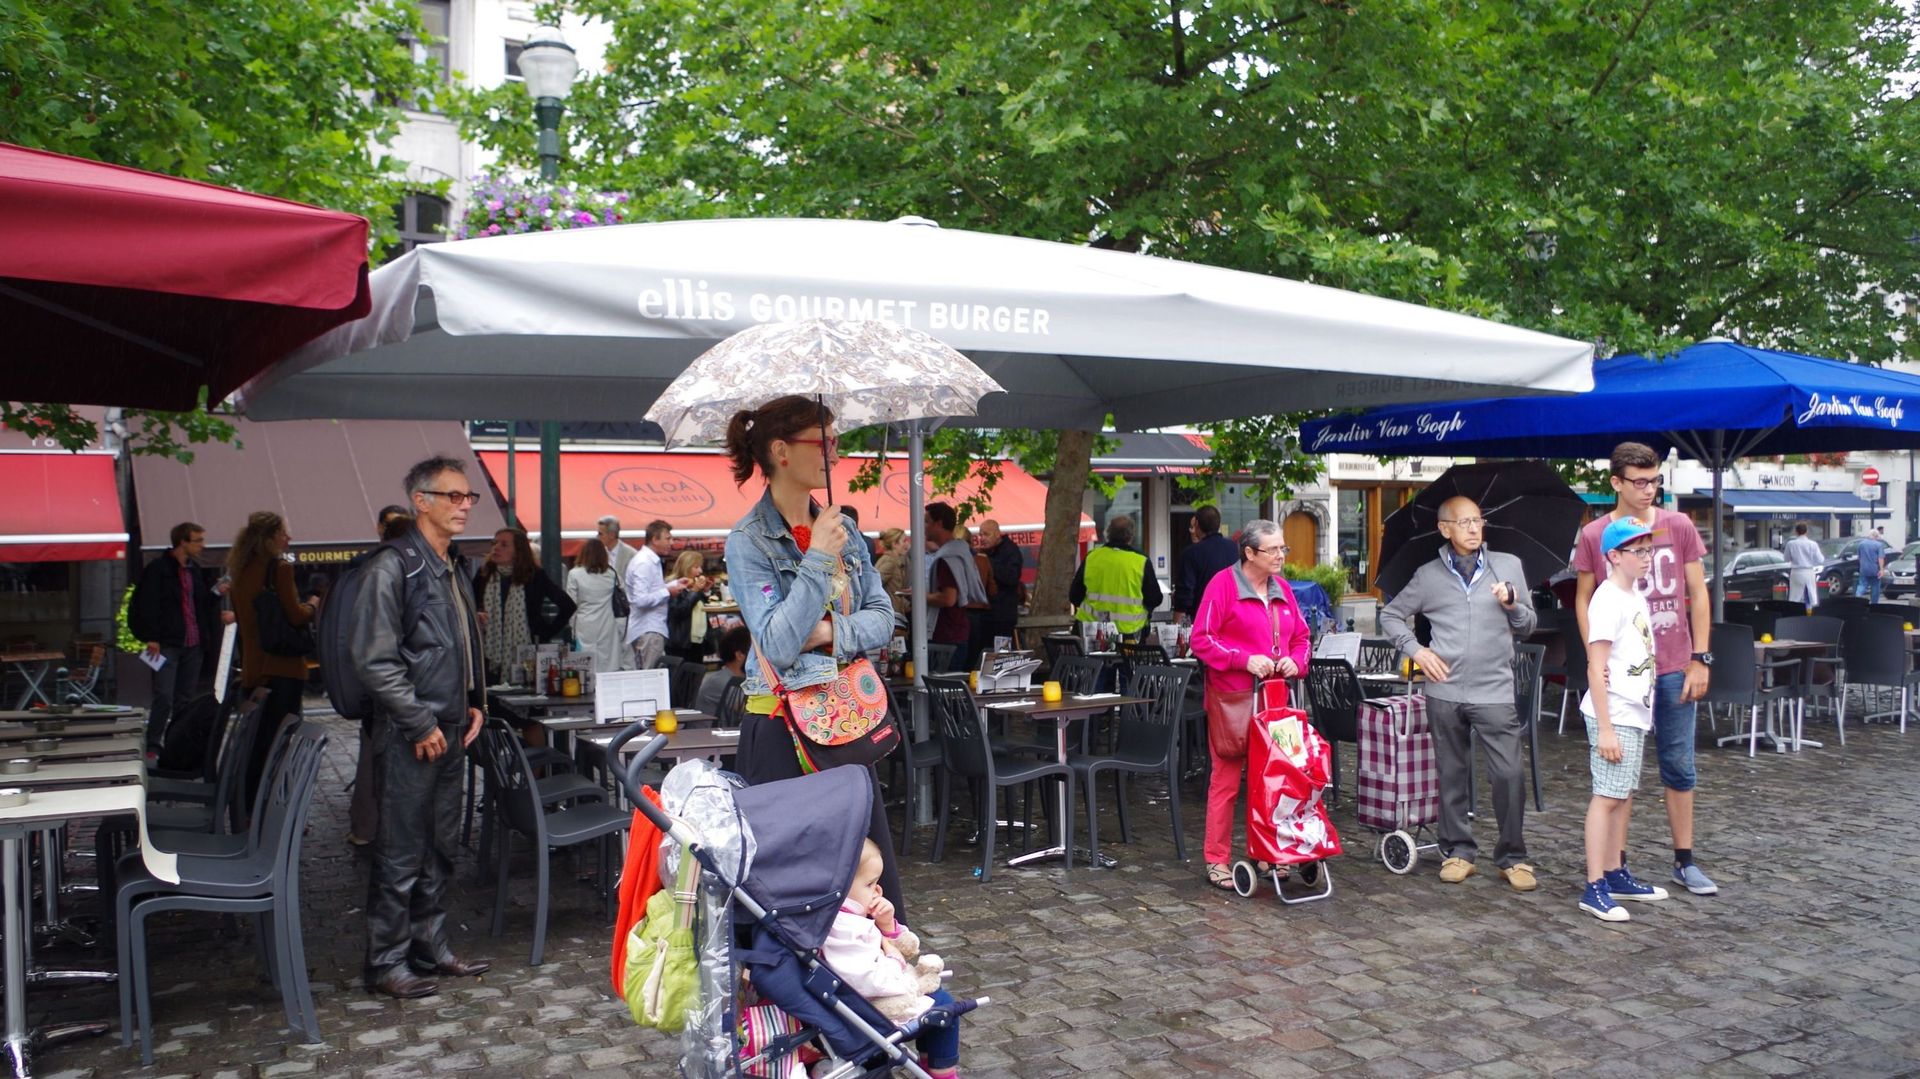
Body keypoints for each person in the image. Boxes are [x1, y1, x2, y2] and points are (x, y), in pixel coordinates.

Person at [722, 394, 904, 917]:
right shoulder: (749, 540)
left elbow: (884, 620)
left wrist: (826, 630)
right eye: (823, 442)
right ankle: (794, 992)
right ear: (781, 450)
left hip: (842, 721)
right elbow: (777, 646)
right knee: (790, 883)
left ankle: (869, 983)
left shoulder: (843, 529)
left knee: (862, 870)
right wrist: (818, 557)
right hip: (780, 727)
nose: (835, 453)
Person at [347, 455, 491, 1000]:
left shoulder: (448, 565)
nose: (463, 505)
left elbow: (451, 645)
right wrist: (418, 720)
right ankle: (385, 962)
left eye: (467, 497)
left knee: (440, 845)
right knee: (402, 849)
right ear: (420, 501)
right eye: (451, 496)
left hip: (449, 726)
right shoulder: (393, 566)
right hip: (414, 733)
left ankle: (430, 947)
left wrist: (472, 702)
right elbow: (374, 658)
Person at [1573, 441, 1718, 898]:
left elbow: (1698, 591)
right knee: (1623, 773)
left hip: (1674, 663)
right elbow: (1583, 596)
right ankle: (1615, 865)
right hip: (1623, 672)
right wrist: (1595, 655)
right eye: (1639, 481)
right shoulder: (1597, 534)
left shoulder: (1677, 525)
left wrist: (1700, 656)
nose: (1649, 489)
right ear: (1616, 482)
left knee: (1678, 764)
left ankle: (1684, 860)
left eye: (1655, 480)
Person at [1377, 496, 1539, 891]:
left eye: (1477, 521)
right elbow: (1390, 615)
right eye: (1463, 522)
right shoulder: (1428, 575)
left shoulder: (1508, 566)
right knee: (1450, 773)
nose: (1472, 528)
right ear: (1444, 528)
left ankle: (1513, 857)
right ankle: (1458, 852)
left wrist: (1513, 604)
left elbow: (1529, 624)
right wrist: (1416, 650)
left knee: (1509, 773)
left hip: (1494, 690)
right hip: (1445, 690)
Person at [1189, 520, 1311, 893]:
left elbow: (1303, 638)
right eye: (1273, 550)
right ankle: (1217, 859)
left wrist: (1296, 661)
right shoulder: (1222, 585)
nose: (1280, 556)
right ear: (1250, 553)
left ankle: (1267, 851)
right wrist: (1244, 659)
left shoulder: (1283, 589)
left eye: (1283, 549)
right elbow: (1201, 639)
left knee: (1273, 781)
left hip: (1275, 701)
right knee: (1225, 781)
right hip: (1234, 700)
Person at [1578, 517, 1672, 921]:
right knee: (1608, 796)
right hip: (1613, 711)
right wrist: (1607, 728)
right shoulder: (1607, 599)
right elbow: (1595, 666)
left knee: (1623, 794)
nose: (1648, 558)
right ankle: (1594, 884)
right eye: (1639, 551)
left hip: (1633, 711)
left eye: (1650, 549)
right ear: (1614, 557)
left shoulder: (1633, 594)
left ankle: (1615, 872)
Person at [820, 839, 962, 1078]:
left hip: (875, 995)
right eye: (870, 884)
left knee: (938, 1001)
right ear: (841, 886)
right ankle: (942, 1072)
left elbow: (899, 948)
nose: (878, 891)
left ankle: (929, 1066)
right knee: (945, 1009)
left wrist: (887, 926)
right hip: (870, 1005)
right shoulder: (843, 929)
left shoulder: (851, 916)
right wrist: (896, 960)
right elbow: (867, 978)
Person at [226, 511, 319, 812]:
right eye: (283, 533)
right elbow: (295, 615)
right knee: (282, 743)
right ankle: (276, 809)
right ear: (269, 538)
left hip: (255, 669)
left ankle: (250, 807)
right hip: (283, 668)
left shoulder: (240, 570)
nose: (288, 538)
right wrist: (313, 605)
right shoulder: (278, 569)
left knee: (257, 745)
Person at [348, 506, 414, 847]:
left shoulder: (363, 566)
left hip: (381, 686)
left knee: (372, 758)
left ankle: (368, 828)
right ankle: (385, 833)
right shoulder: (384, 569)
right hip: (395, 684)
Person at [128, 521, 221, 749]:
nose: (202, 546)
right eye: (197, 540)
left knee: (185, 698)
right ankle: (153, 743)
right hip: (168, 643)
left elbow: (199, 604)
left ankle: (178, 741)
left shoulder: (194, 570)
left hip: (193, 642)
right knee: (164, 696)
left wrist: (216, 594)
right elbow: (146, 604)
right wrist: (151, 637)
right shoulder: (159, 570)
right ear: (183, 542)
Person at [474, 527, 576, 683]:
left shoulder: (534, 576)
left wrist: (545, 633)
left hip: (526, 652)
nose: (496, 548)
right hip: (489, 651)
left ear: (518, 551)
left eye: (504, 544)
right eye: (494, 543)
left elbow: (568, 605)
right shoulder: (484, 574)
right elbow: (469, 605)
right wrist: (477, 614)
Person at [1070, 515, 1163, 639]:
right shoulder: (1141, 562)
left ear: (1108, 534)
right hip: (1129, 635)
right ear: (1130, 536)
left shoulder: (1092, 558)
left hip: (1090, 632)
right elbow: (1155, 598)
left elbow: (1074, 596)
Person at [922, 503, 988, 669]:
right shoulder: (961, 550)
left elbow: (949, 598)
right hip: (957, 631)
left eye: (926, 522)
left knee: (944, 690)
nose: (923, 527)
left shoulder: (946, 558)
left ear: (939, 523)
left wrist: (919, 596)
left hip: (946, 635)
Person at [624, 519, 694, 670]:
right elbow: (640, 600)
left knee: (652, 678)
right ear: (655, 539)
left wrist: (673, 585)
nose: (671, 542)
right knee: (650, 679)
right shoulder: (644, 563)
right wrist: (667, 591)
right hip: (648, 630)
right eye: (667, 538)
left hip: (650, 629)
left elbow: (650, 592)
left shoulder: (648, 561)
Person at [566, 538, 626, 676]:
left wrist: (571, 628)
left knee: (585, 668)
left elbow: (571, 604)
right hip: (607, 624)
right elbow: (623, 593)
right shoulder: (612, 574)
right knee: (607, 666)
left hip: (584, 625)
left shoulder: (574, 574)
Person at [1174, 506, 1239, 624]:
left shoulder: (1191, 553)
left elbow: (1185, 594)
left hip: (1202, 618)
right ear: (1218, 524)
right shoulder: (1234, 548)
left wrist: (1177, 626)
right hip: (1231, 616)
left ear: (1197, 524)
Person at [596, 515, 638, 669]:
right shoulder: (598, 553)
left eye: (601, 533)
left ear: (612, 535)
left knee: (625, 653)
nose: (597, 536)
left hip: (623, 612)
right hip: (604, 612)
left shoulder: (631, 554)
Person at [977, 519, 1024, 649]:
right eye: (980, 535)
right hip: (986, 615)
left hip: (1002, 615)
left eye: (986, 534)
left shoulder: (1010, 551)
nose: (982, 538)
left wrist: (989, 563)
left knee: (1001, 655)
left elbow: (1012, 578)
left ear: (998, 534)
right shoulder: (984, 552)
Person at [665, 549, 713, 665]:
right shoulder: (674, 585)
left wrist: (705, 592)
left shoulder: (694, 586)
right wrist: (695, 591)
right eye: (696, 567)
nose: (700, 571)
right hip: (682, 643)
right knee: (681, 678)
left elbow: (700, 609)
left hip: (697, 640)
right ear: (686, 567)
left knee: (695, 676)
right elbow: (679, 612)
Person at [696, 625, 751, 716]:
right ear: (739, 655)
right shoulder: (723, 681)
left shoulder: (727, 677)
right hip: (711, 730)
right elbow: (750, 709)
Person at [873, 527, 912, 626]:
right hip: (892, 615)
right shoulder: (890, 562)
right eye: (904, 541)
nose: (907, 544)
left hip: (893, 613)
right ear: (894, 544)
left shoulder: (893, 560)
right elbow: (874, 584)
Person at [1784, 522, 1823, 609]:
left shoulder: (1791, 544)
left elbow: (1786, 559)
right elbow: (1820, 560)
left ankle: (1794, 614)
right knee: (1811, 595)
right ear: (1806, 531)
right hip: (1809, 571)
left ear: (1796, 532)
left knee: (1794, 597)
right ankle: (1809, 613)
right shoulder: (1813, 544)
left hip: (1796, 572)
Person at [1856, 527, 1889, 602]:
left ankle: (1857, 597)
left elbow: (1859, 557)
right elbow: (1881, 558)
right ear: (1876, 536)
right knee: (1875, 587)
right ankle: (1874, 604)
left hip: (1863, 569)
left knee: (1862, 585)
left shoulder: (1861, 544)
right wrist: (1881, 570)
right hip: (1875, 569)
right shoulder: (1879, 545)